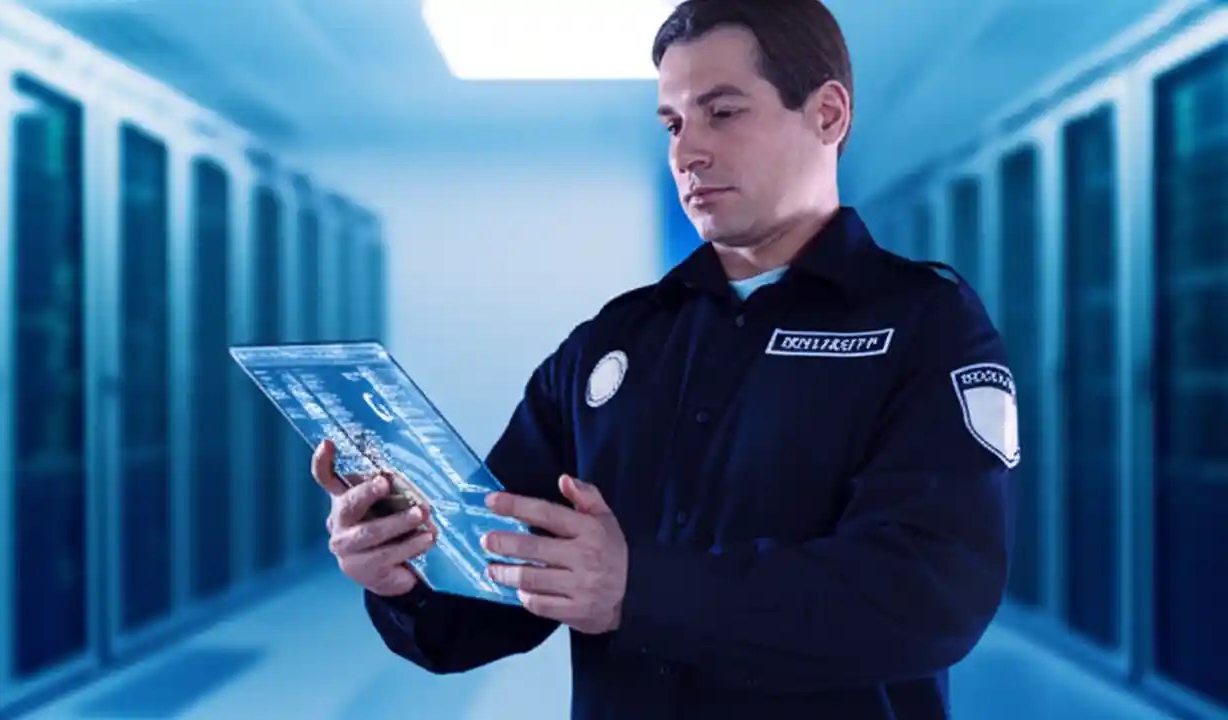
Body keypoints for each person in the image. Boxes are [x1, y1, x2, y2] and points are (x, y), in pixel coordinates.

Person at [311, 0, 1018, 717]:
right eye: (674, 124)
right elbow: (488, 603)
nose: (687, 153)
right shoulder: (614, 346)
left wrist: (637, 590)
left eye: (724, 113)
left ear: (828, 115)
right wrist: (403, 573)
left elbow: (929, 595)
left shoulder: (923, 324)